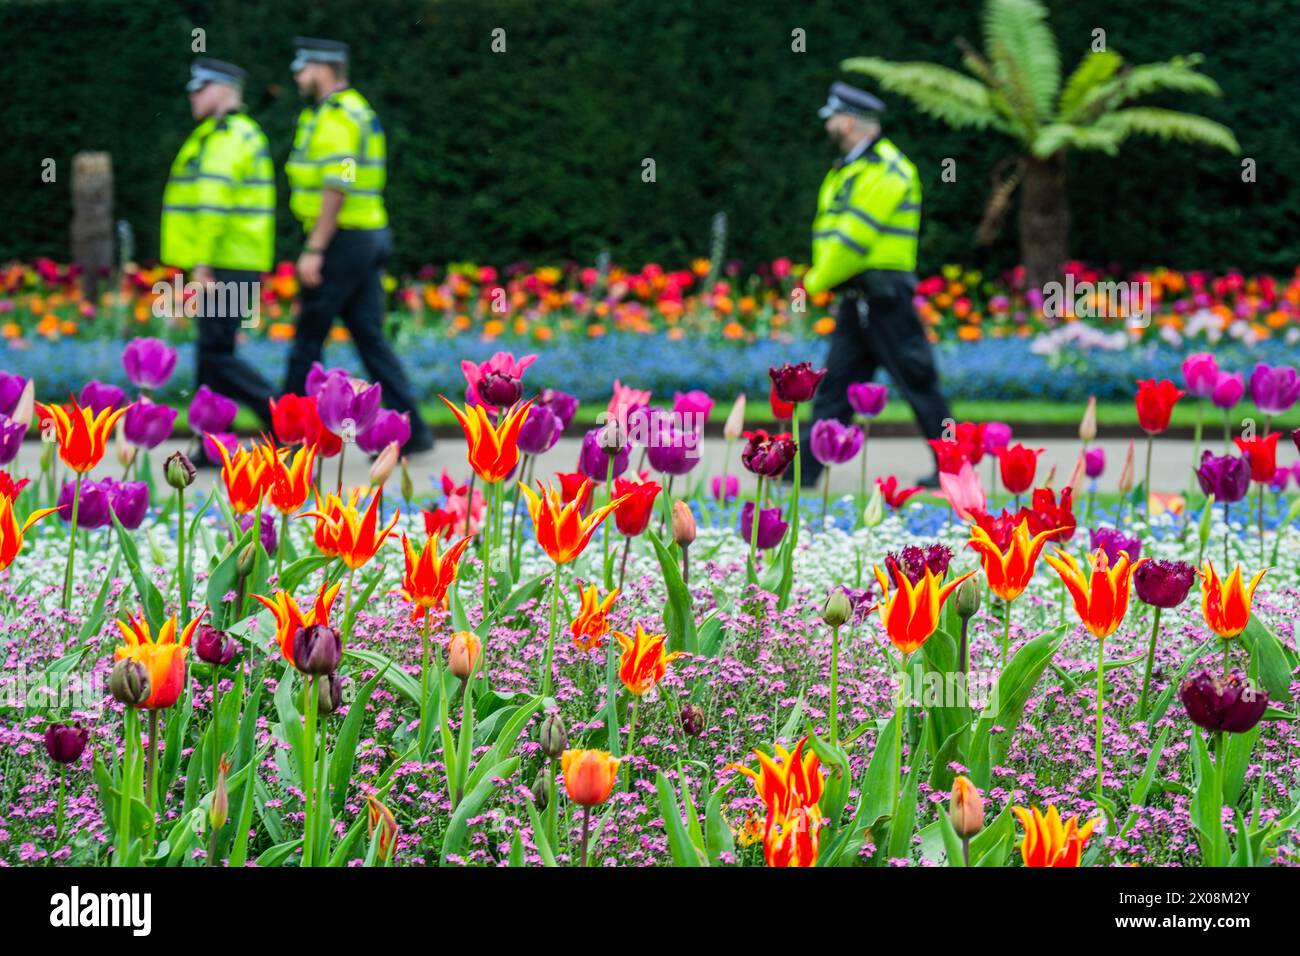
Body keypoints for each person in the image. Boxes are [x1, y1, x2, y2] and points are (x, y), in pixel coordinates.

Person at [282, 37, 434, 453]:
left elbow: (337, 185)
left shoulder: (336, 117)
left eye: (304, 68)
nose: (297, 76)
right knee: (369, 336)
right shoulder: (355, 110)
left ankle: (289, 437)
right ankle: (414, 430)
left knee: (308, 337)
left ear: (325, 70)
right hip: (366, 235)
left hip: (343, 238)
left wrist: (315, 247)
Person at [799, 81, 952, 488]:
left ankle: (954, 469)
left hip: (885, 299)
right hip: (858, 299)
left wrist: (813, 283)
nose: (829, 123)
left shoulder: (886, 169)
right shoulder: (853, 168)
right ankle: (802, 473)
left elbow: (852, 240)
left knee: (919, 382)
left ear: (848, 121)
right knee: (834, 388)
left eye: (833, 116)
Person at [160, 57, 277, 435]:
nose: (192, 95)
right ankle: (209, 443)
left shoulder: (228, 137)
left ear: (225, 90)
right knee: (210, 358)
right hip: (230, 260)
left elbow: (213, 204)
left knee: (216, 355)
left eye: (200, 88)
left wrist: (203, 262)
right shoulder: (221, 134)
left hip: (225, 261)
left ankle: (284, 422)